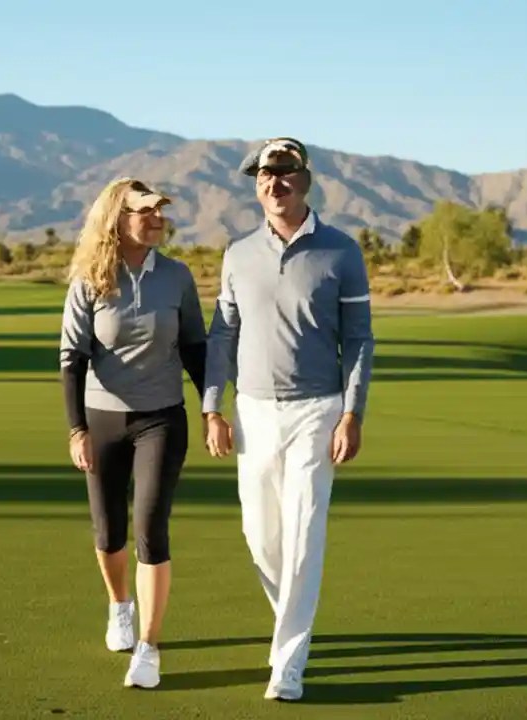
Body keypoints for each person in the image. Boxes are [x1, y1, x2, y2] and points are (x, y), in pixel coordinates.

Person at [202, 137, 374, 702]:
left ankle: (288, 664)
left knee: (302, 535)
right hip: (252, 410)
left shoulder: (342, 252)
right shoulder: (237, 253)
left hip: (317, 410)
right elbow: (223, 333)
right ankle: (292, 628)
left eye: (283, 173)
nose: (273, 183)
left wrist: (352, 414)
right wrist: (212, 406)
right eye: (263, 176)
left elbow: (359, 341)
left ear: (305, 180)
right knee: (260, 537)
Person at [58, 177, 207, 689]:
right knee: (108, 530)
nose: (156, 218)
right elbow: (72, 360)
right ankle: (119, 605)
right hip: (102, 419)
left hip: (162, 416)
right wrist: (77, 428)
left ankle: (148, 646)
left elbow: (194, 349)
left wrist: (212, 409)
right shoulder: (90, 281)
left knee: (150, 527)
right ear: (116, 220)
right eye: (144, 212)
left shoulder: (177, 277)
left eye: (160, 211)